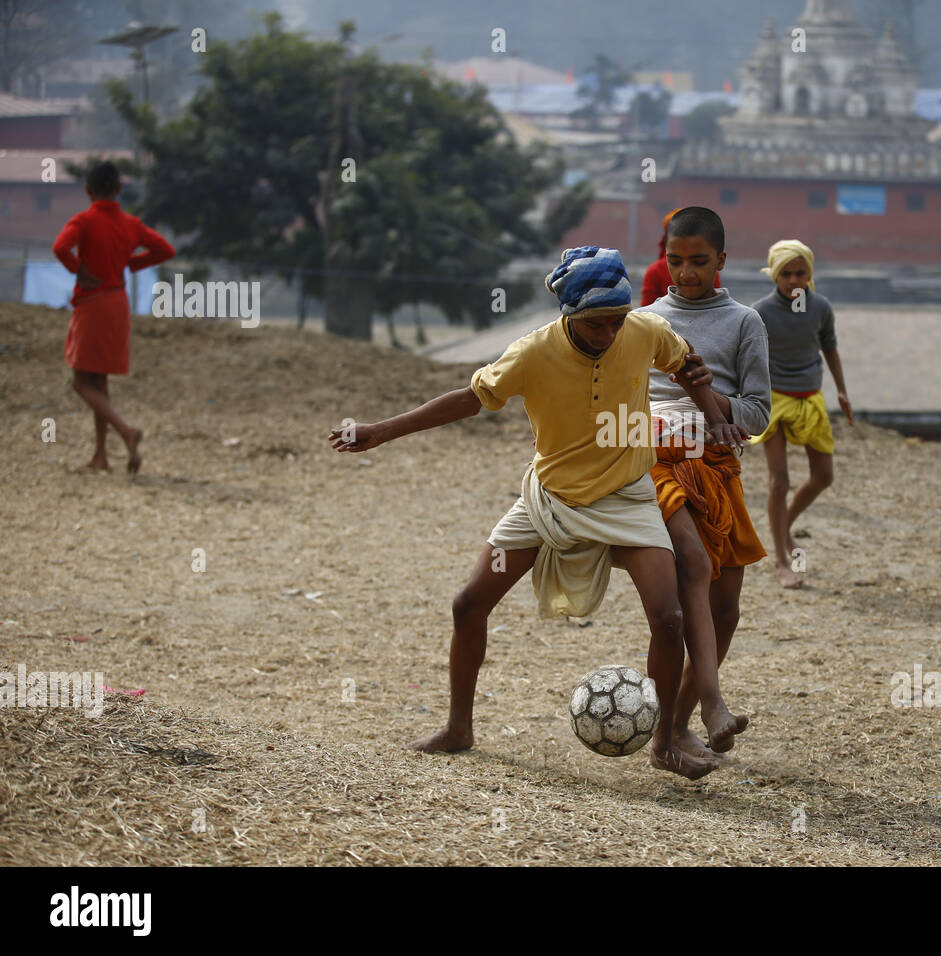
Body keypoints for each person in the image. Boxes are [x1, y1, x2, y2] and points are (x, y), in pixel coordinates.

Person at [330, 246, 745, 780]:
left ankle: (664, 743)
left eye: (616, 321)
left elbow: (688, 364)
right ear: (569, 315)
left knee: (668, 619)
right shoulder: (530, 353)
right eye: (597, 324)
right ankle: (459, 728)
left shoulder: (642, 330)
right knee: (468, 604)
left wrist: (714, 419)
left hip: (627, 494)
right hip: (551, 499)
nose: (610, 333)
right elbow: (469, 399)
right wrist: (379, 431)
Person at [642, 207, 770, 757]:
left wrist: (708, 394)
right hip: (657, 460)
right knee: (690, 569)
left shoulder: (745, 323)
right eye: (675, 261)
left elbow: (758, 416)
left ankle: (676, 727)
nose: (686, 273)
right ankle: (692, 714)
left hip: (718, 464)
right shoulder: (644, 321)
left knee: (726, 611)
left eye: (698, 262)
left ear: (722, 259)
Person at [52, 161, 175, 473]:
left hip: (93, 303)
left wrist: (79, 270)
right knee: (99, 380)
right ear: (118, 190)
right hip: (118, 302)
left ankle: (126, 432)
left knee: (81, 382)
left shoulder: (84, 220)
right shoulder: (131, 224)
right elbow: (165, 250)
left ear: (88, 190)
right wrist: (131, 264)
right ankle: (100, 456)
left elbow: (60, 247)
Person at [748, 239, 853, 589]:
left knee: (823, 476)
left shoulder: (820, 307)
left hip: (810, 397)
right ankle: (781, 559)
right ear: (775, 277)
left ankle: (784, 525)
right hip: (774, 400)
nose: (794, 281)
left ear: (810, 274)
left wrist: (841, 390)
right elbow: (746, 358)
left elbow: (830, 347)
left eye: (801, 273)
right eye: (786, 274)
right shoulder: (760, 313)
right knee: (780, 481)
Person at [641, 207, 720, 306]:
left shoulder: (742, 318)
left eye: (699, 262)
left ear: (720, 261)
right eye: (675, 262)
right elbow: (647, 316)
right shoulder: (655, 271)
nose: (686, 275)